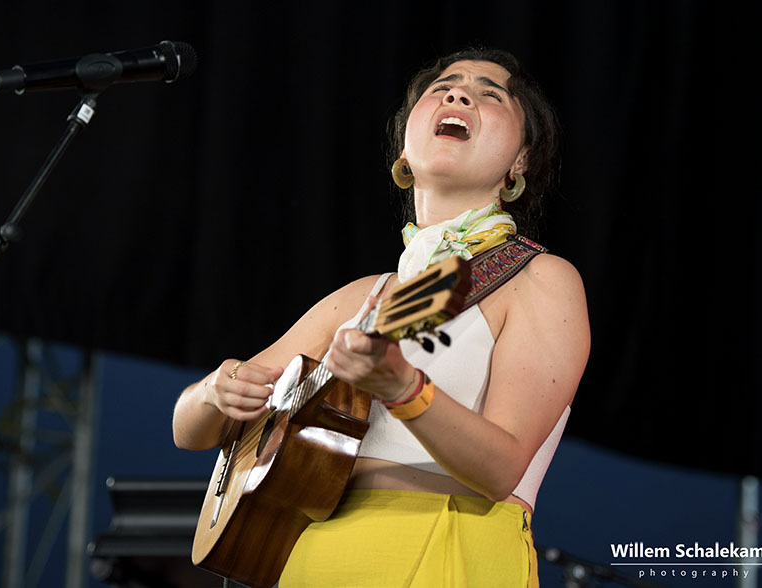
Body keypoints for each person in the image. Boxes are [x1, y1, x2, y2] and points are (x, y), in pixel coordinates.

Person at [172, 46, 590, 587]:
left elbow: (500, 469)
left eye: (491, 94)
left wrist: (404, 388)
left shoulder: (537, 278)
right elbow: (189, 431)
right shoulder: (362, 297)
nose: (459, 94)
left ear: (521, 162)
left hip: (447, 544)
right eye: (442, 88)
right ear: (404, 153)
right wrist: (215, 390)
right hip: (311, 554)